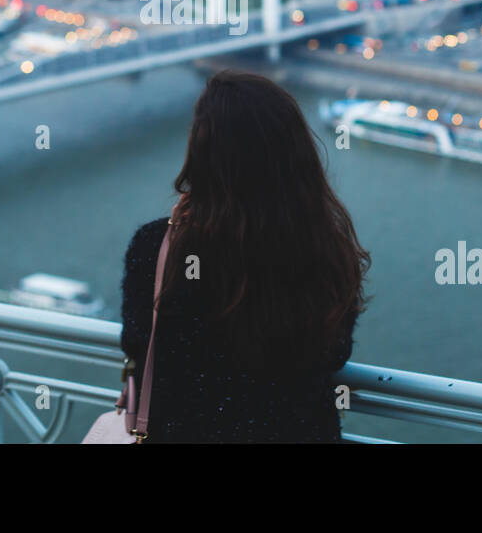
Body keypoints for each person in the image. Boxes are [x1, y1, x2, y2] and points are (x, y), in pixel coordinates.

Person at [120, 70, 370, 442]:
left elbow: (138, 345)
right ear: (296, 153)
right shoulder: (325, 247)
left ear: (201, 152)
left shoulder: (158, 246)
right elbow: (334, 355)